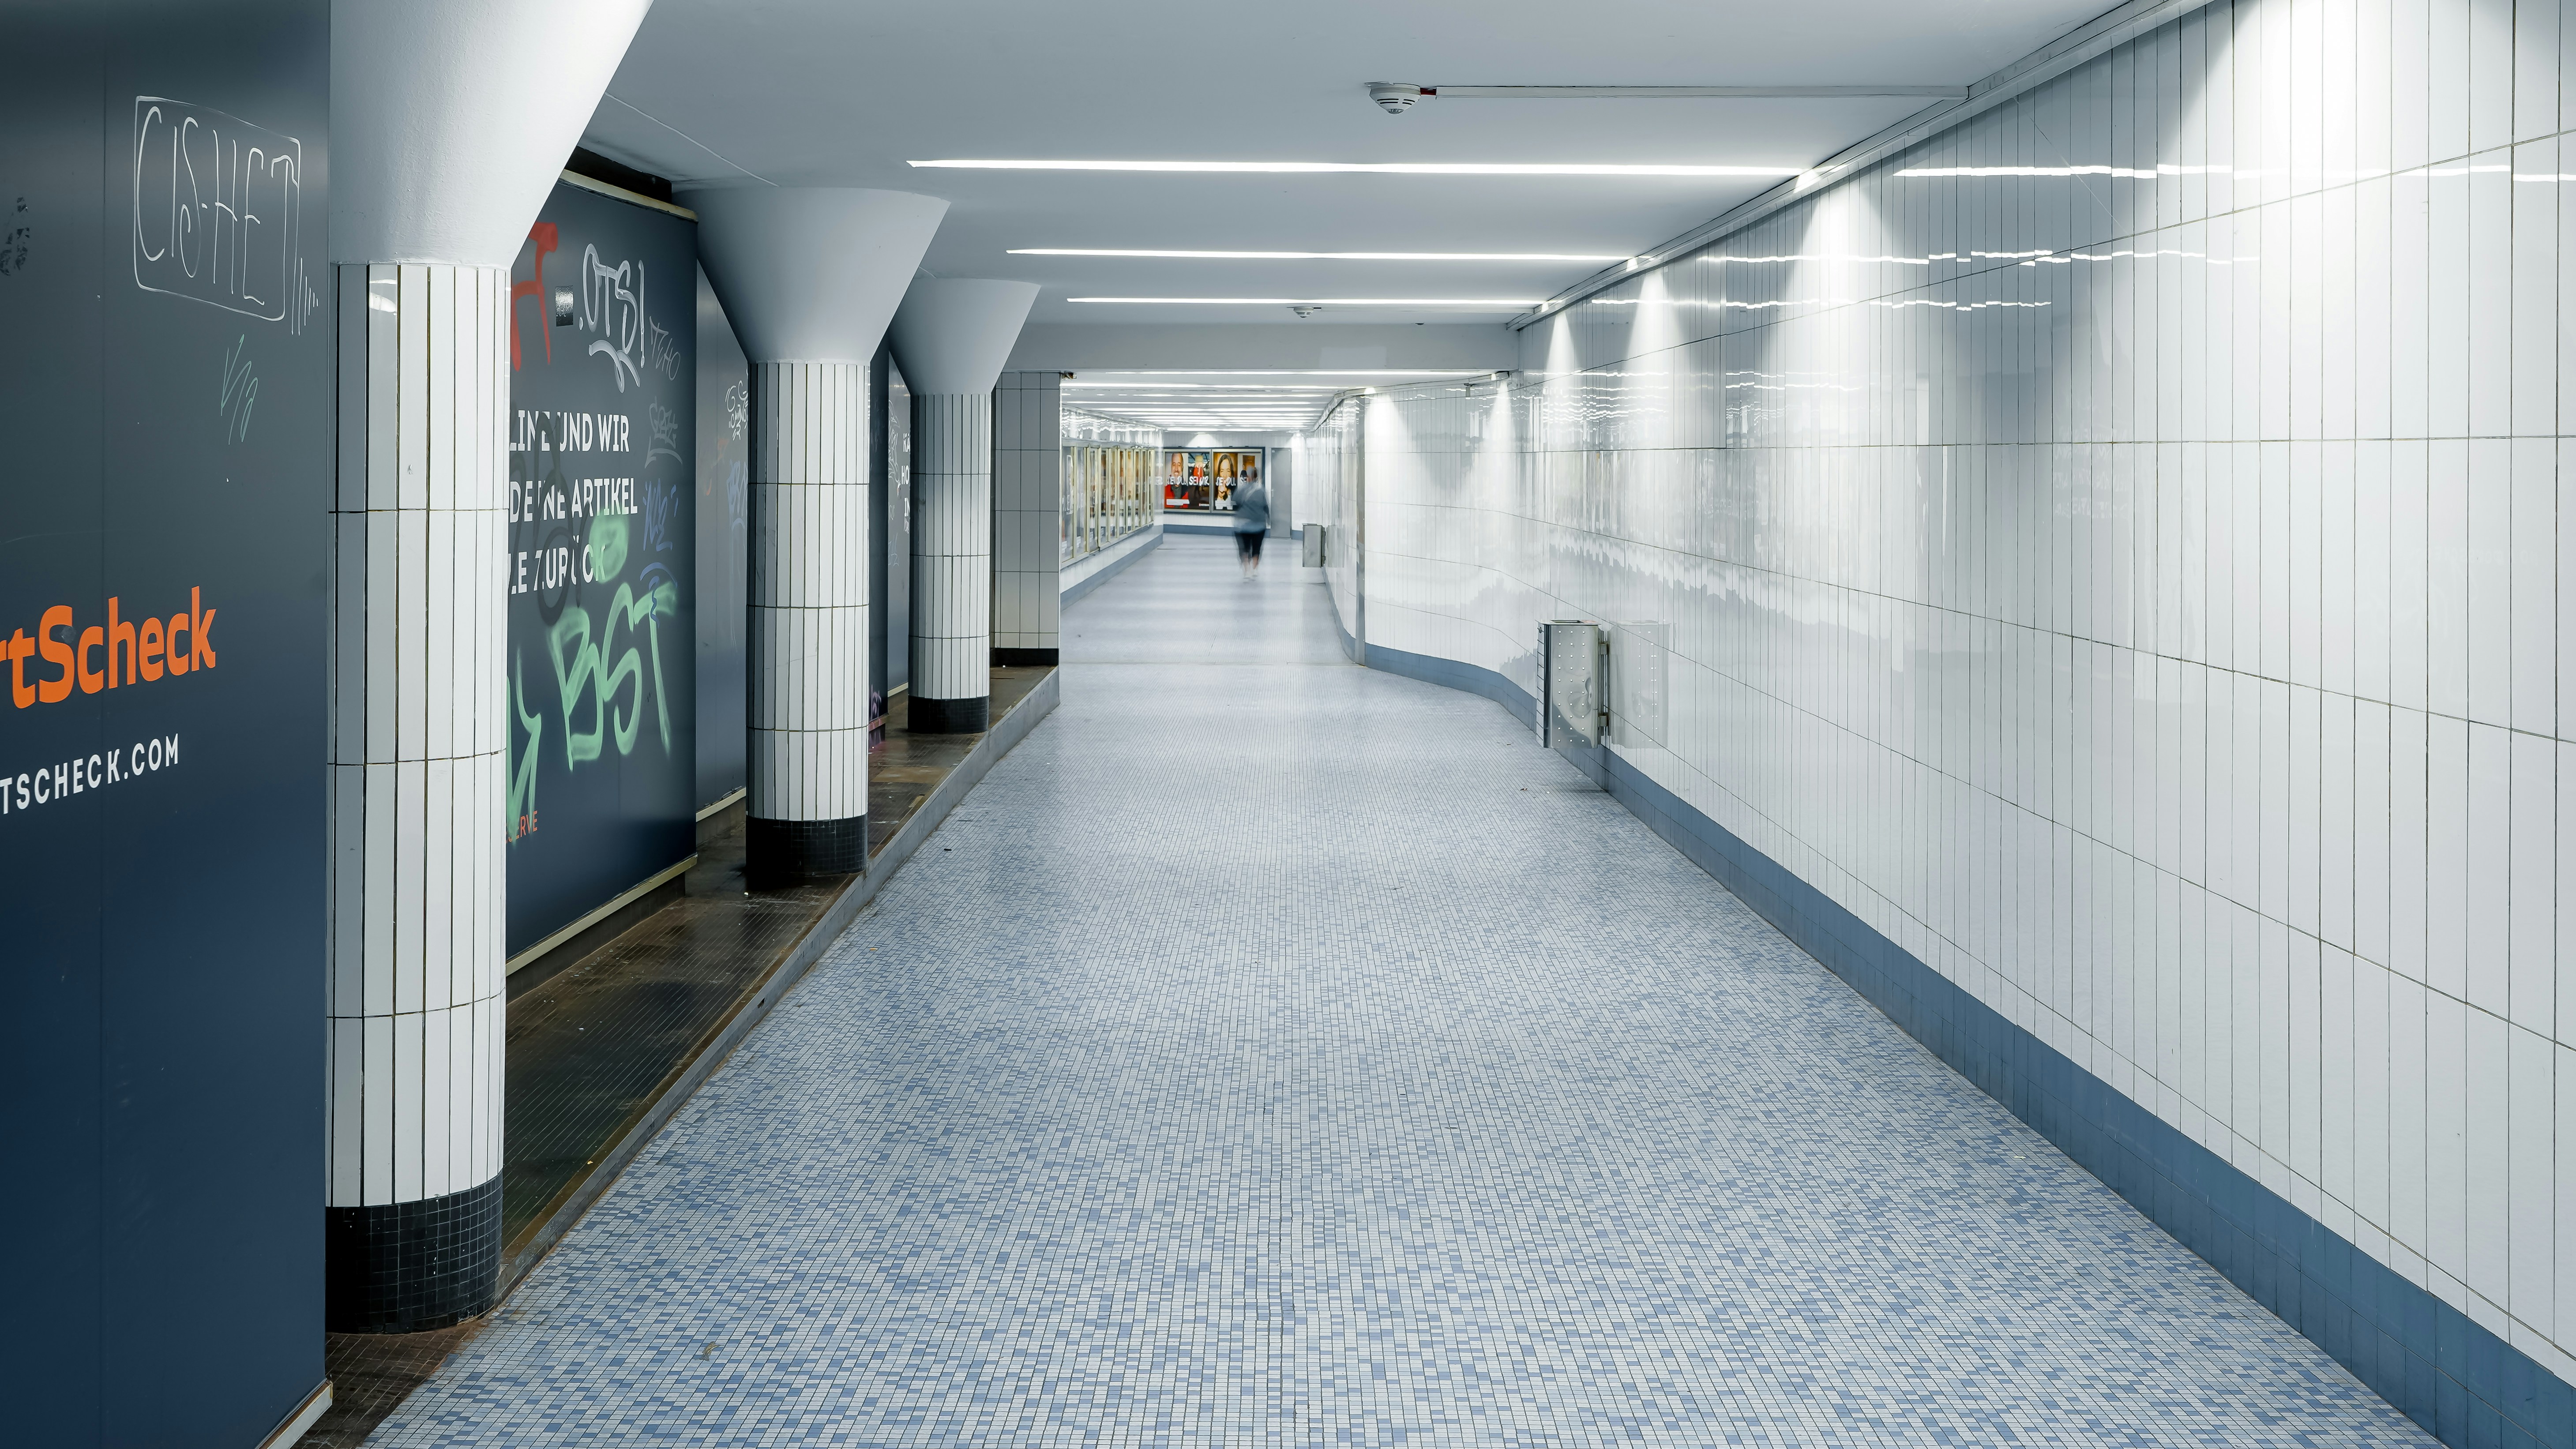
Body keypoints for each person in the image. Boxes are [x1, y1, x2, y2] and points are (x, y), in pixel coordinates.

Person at [1231, 476, 1269, 578]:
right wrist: (1269, 519)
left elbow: (1234, 503)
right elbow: (1266, 506)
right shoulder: (1261, 491)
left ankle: (1247, 570)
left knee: (1244, 549)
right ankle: (1254, 569)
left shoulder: (1241, 490)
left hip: (1242, 524)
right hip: (1259, 524)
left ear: (1247, 479)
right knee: (1257, 548)